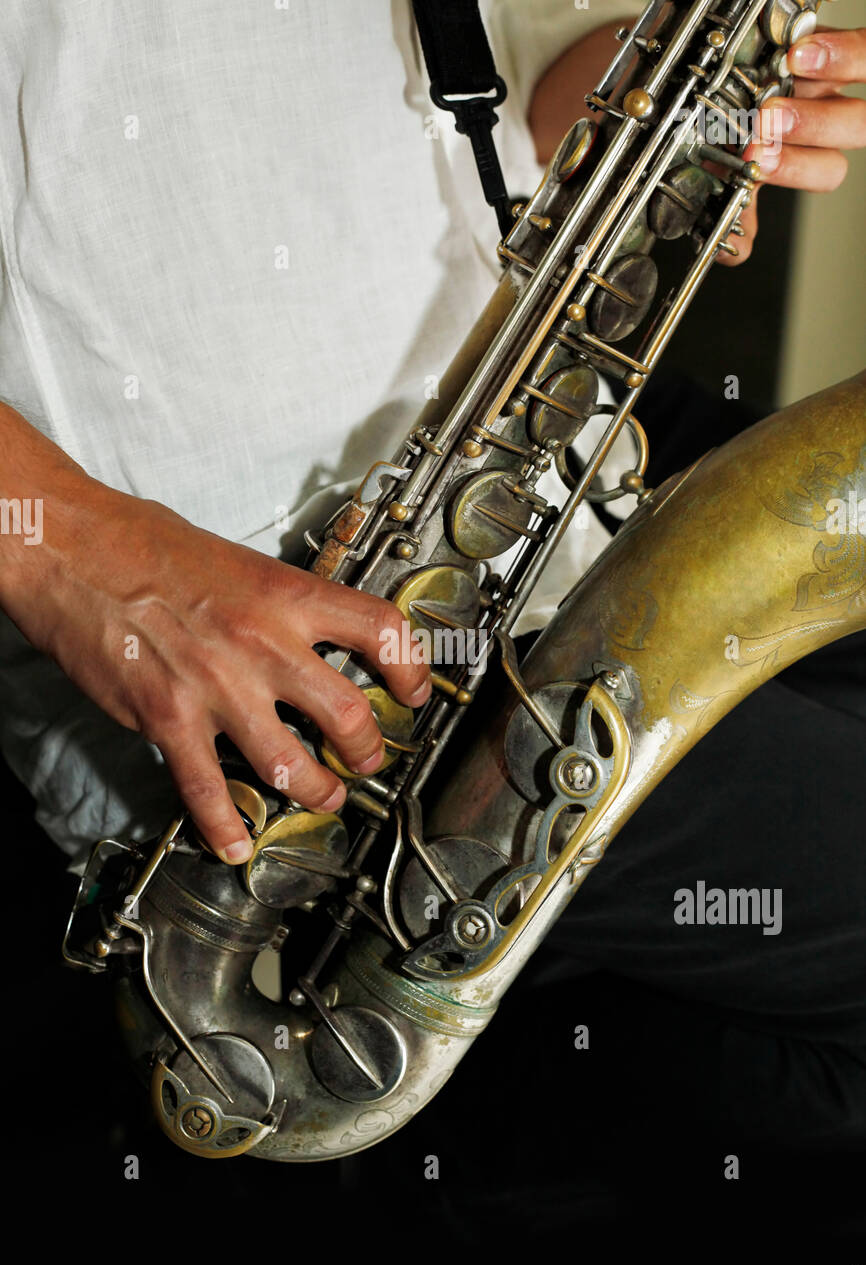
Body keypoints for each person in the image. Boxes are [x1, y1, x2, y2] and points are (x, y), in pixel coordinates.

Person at [0, 0, 864, 1200]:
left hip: (538, 504)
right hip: (284, 695)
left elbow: (443, 107)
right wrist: (74, 555)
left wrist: (625, 115)